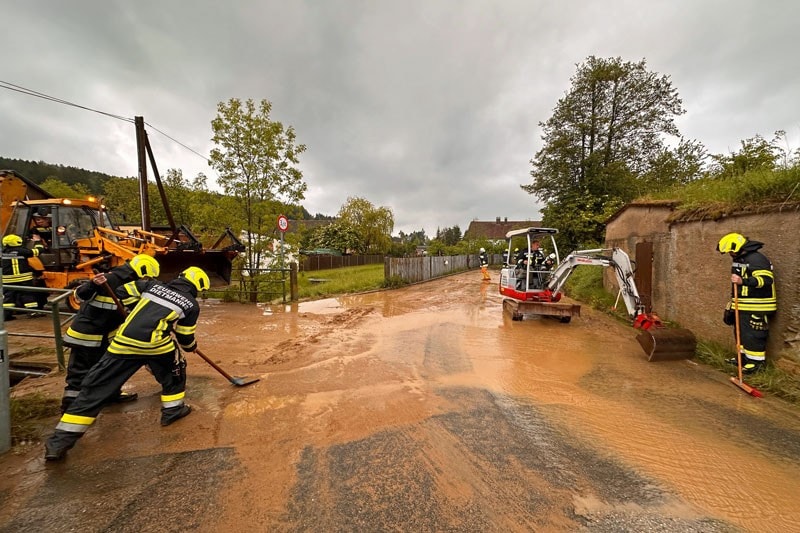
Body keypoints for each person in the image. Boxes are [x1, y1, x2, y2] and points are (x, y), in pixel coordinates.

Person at [44, 266, 210, 462]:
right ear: (197, 286)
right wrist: (191, 347)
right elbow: (184, 335)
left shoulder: (150, 285)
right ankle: (172, 411)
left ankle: (58, 443)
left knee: (95, 389)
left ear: (181, 276)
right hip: (156, 346)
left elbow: (121, 292)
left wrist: (137, 308)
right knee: (175, 370)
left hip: (123, 343)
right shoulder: (191, 304)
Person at [60, 254, 161, 413]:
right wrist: (92, 284)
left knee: (110, 369)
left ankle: (111, 395)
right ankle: (71, 407)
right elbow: (78, 296)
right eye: (146, 278)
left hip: (106, 337)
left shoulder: (130, 285)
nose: (146, 281)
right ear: (140, 272)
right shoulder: (106, 279)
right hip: (85, 337)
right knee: (79, 372)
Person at [717, 233, 777, 374]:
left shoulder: (757, 259)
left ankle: (756, 363)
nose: (730, 254)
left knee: (753, 334)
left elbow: (766, 280)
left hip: (758, 304)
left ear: (738, 247)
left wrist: (743, 281)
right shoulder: (741, 258)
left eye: (731, 251)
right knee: (741, 334)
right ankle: (742, 358)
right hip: (743, 303)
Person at [2, 234, 41, 320]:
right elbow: (37, 251)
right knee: (28, 295)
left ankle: (6, 316)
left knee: (8, 298)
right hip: (24, 279)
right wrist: (38, 241)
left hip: (7, 280)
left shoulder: (3, 252)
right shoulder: (22, 251)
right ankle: (32, 312)